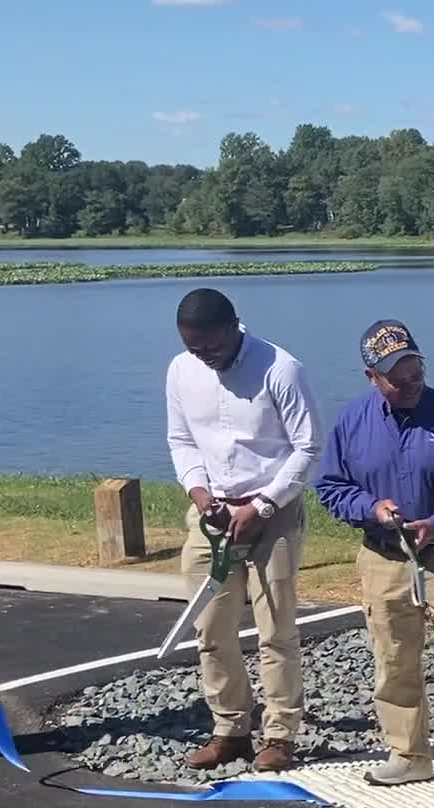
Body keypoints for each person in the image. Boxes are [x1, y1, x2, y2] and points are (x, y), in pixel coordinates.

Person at [313, 319, 434, 795]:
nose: (411, 384)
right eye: (398, 378)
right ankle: (408, 754)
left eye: (416, 372)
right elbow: (332, 489)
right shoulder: (351, 422)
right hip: (383, 558)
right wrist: (370, 509)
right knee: (394, 659)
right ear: (372, 378)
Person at [165, 287, 324, 772]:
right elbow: (181, 439)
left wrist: (263, 504)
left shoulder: (281, 368)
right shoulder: (181, 369)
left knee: (275, 627)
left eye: (211, 347)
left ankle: (279, 734)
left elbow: (308, 446)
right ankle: (231, 728)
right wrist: (201, 495)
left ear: (235, 326)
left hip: (271, 514)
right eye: (194, 348)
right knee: (210, 629)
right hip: (212, 516)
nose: (205, 357)